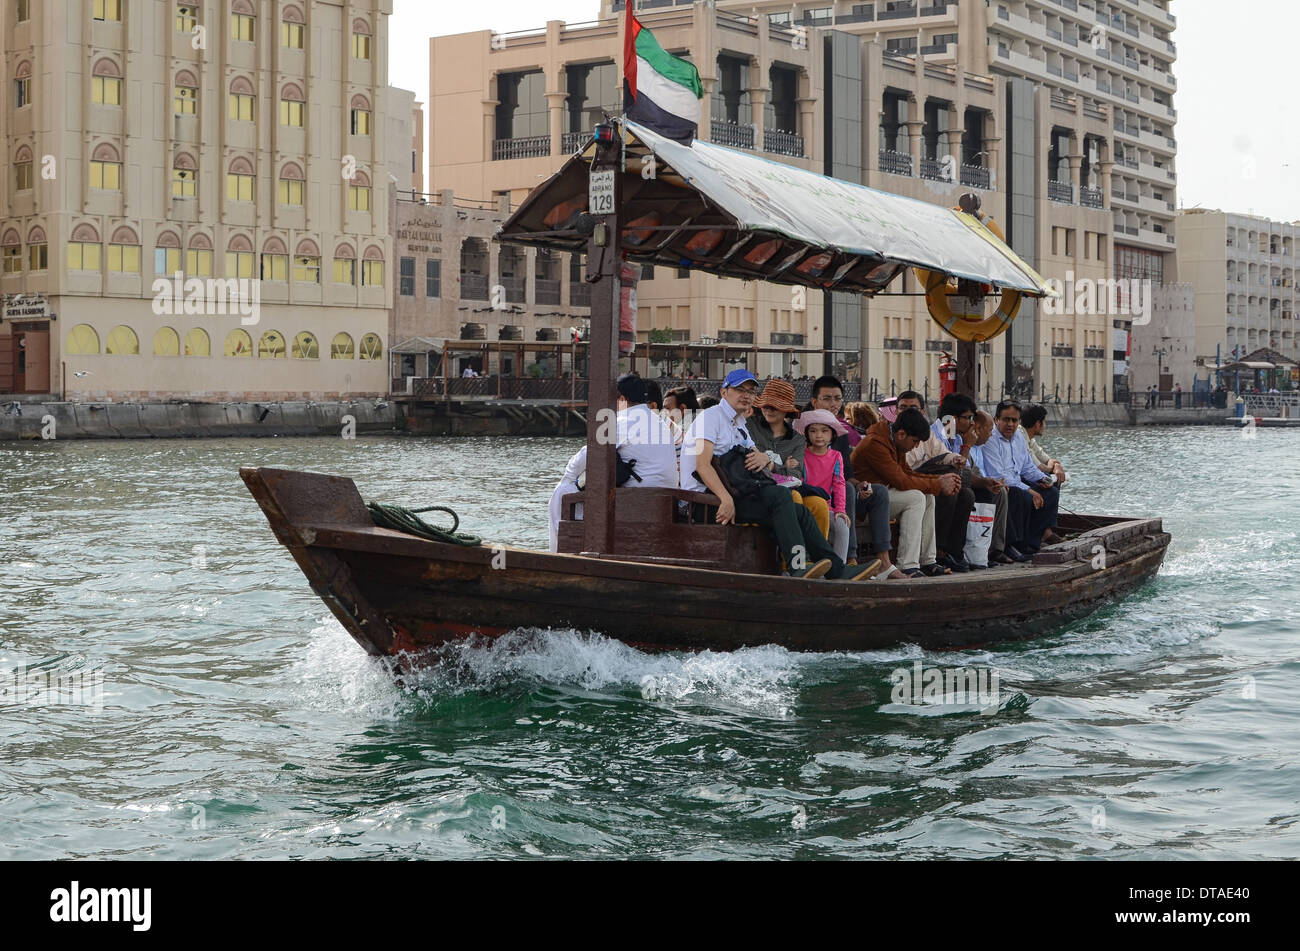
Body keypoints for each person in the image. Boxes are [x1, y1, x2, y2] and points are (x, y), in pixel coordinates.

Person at [680, 368, 875, 581]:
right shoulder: (711, 418)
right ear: (724, 392)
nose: (746, 395)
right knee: (780, 496)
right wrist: (725, 500)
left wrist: (765, 459)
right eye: (739, 389)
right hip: (706, 501)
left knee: (801, 511)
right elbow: (702, 465)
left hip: (735, 493)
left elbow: (759, 457)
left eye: (751, 391)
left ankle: (838, 569)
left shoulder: (740, 424)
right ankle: (798, 566)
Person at [547, 373, 678, 552]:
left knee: (562, 492)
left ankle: (561, 553)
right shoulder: (661, 423)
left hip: (637, 499)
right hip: (664, 501)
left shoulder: (622, 421)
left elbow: (588, 454)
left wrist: (569, 477)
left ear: (622, 399)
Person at [851, 408, 961, 577]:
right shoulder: (875, 443)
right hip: (865, 504)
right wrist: (939, 484)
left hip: (882, 498)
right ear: (901, 434)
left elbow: (908, 473)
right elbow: (901, 481)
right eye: (915, 441)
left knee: (928, 497)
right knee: (916, 498)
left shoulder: (892, 440)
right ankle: (907, 564)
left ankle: (927, 561)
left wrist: (938, 481)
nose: (916, 446)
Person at [898, 391, 975, 573]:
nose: (907, 411)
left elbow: (942, 453)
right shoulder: (897, 432)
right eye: (903, 408)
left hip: (927, 477)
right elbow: (902, 470)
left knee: (966, 494)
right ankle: (939, 550)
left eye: (913, 408)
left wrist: (956, 459)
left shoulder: (929, 433)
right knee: (948, 484)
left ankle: (953, 551)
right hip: (908, 478)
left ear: (923, 411)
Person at [978, 400, 1061, 562]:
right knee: (1020, 495)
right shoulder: (990, 439)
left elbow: (1027, 468)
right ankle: (1011, 545)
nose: (1010, 424)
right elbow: (998, 475)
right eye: (1006, 419)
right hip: (1002, 485)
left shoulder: (1018, 438)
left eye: (1014, 420)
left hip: (1017, 481)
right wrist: (1029, 489)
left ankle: (1032, 543)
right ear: (997, 420)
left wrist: (1044, 479)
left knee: (1051, 492)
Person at [746, 379, 829, 538]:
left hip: (788, 488)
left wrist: (770, 465)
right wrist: (783, 466)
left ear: (786, 410)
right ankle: (793, 561)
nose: (769, 410)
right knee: (794, 497)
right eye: (766, 405)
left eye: (775, 407)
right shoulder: (749, 426)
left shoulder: (797, 439)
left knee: (819, 505)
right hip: (758, 489)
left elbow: (796, 474)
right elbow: (750, 461)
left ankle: (818, 559)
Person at [793, 409, 852, 561]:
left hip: (828, 508)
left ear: (832, 434)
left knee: (842, 525)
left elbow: (839, 484)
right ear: (807, 434)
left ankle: (840, 566)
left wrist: (840, 510)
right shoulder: (802, 454)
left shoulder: (836, 456)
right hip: (807, 505)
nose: (818, 435)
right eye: (813, 431)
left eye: (824, 431)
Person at [966, 411, 1009, 567]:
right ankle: (976, 553)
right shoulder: (968, 443)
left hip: (978, 482)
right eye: (989, 430)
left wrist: (994, 482)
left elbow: (980, 471)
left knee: (1002, 492)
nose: (991, 435)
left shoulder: (979, 447)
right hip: (968, 486)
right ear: (977, 428)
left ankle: (995, 549)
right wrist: (987, 482)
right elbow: (967, 473)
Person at [1020, 404, 1067, 487]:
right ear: (1038, 424)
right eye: (1044, 421)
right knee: (1052, 484)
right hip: (1019, 479)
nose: (1045, 425)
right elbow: (1039, 467)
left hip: (1028, 477)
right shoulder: (1020, 436)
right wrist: (1052, 468)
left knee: (1054, 477)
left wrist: (1056, 465)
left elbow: (1046, 458)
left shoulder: (1030, 438)